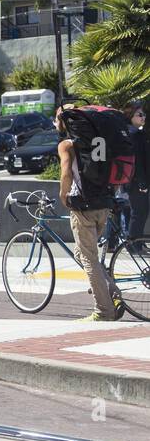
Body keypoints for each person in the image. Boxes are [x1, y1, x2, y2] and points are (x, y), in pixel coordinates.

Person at [56, 107, 124, 322]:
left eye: (56, 119)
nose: (55, 124)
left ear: (64, 122)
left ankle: (103, 310)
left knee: (88, 259)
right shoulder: (100, 140)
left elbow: (66, 171)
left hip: (83, 207)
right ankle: (112, 294)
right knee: (83, 254)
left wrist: (62, 194)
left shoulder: (67, 145)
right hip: (102, 203)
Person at [124, 100, 148, 241]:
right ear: (131, 116)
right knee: (139, 212)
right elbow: (137, 161)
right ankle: (134, 244)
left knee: (139, 212)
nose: (143, 117)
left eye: (143, 114)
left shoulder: (134, 133)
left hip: (133, 179)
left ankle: (136, 242)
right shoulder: (134, 135)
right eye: (140, 115)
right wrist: (142, 183)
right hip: (136, 180)